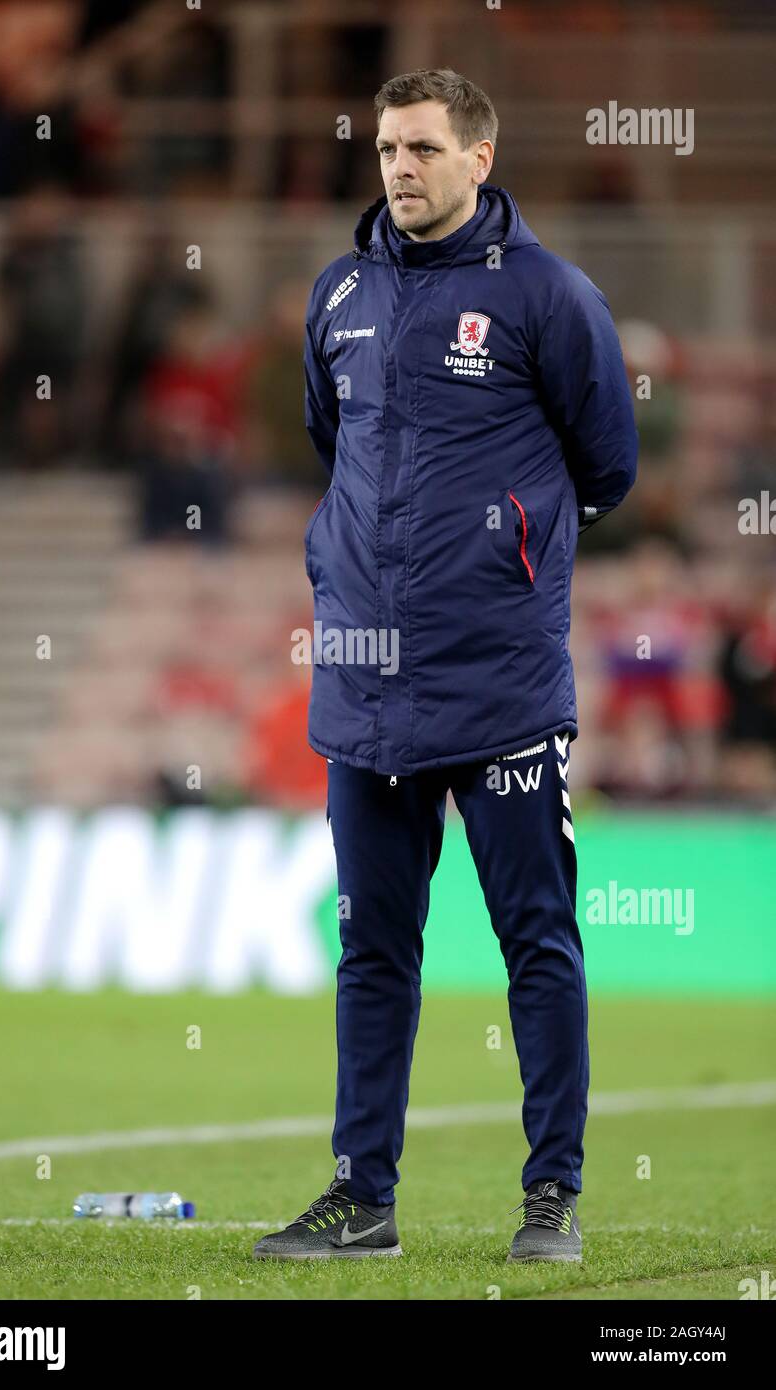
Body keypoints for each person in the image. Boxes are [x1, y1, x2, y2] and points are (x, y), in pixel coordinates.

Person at [254, 68, 637, 1264]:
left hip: (502, 684)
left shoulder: (547, 297)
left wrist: (501, 556)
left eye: (421, 147)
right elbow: (335, 443)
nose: (398, 168)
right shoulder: (340, 295)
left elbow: (606, 464)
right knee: (372, 947)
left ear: (479, 157)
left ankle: (551, 1201)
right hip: (364, 683)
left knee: (537, 939)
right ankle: (362, 1196)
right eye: (383, 148)